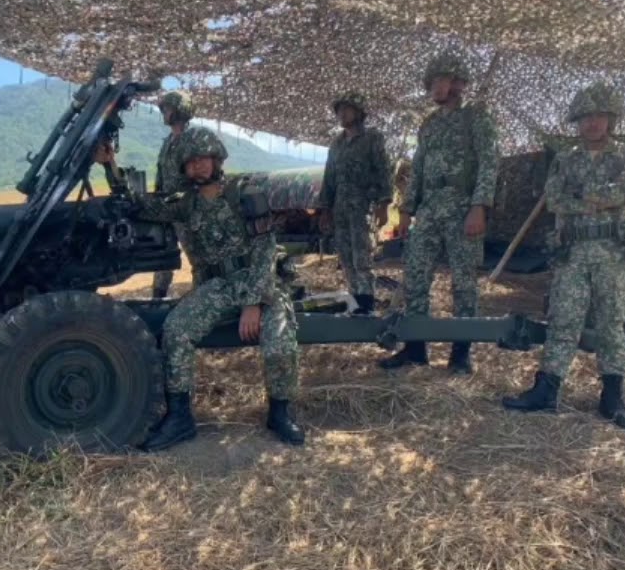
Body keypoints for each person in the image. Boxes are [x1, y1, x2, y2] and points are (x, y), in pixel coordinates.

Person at [94, 126, 305, 450]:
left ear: (216, 158)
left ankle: (280, 413)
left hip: (257, 281)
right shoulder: (185, 204)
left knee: (279, 345)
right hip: (216, 287)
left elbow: (265, 248)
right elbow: (140, 205)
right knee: (176, 330)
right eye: (190, 162)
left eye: (203, 159)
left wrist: (253, 303)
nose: (197, 166)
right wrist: (110, 166)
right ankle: (180, 419)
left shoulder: (245, 191)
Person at [501, 82, 625, 429]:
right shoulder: (566, 159)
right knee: (563, 320)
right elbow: (555, 200)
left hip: (612, 254)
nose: (592, 124)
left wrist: (581, 193)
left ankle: (613, 397)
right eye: (585, 118)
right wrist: (598, 196)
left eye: (599, 117)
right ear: (576, 122)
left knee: (611, 323)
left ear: (611, 120)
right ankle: (546, 390)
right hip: (573, 253)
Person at [378, 50, 499, 374]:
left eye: (440, 80)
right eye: (431, 82)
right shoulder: (428, 126)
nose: (434, 87)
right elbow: (417, 169)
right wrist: (405, 210)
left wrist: (479, 207)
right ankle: (416, 348)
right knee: (415, 276)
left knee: (464, 283)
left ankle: (461, 354)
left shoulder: (477, 117)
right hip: (430, 210)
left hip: (463, 207)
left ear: (458, 82)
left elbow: (489, 162)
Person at [314, 92, 392, 314]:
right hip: (340, 208)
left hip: (362, 207)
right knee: (346, 257)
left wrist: (383, 203)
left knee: (362, 256)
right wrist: (324, 210)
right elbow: (329, 177)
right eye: (339, 110)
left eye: (346, 109)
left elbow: (383, 170)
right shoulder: (336, 144)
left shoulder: (372, 138)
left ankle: (366, 303)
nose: (342, 114)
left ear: (359, 112)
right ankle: (355, 301)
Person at [150, 90, 200, 299]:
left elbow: (201, 175)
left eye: (168, 109)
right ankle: (158, 296)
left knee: (198, 258)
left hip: (187, 211)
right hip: (167, 208)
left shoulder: (193, 139)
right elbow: (161, 175)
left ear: (180, 110)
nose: (164, 113)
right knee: (163, 257)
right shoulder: (167, 142)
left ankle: (202, 296)